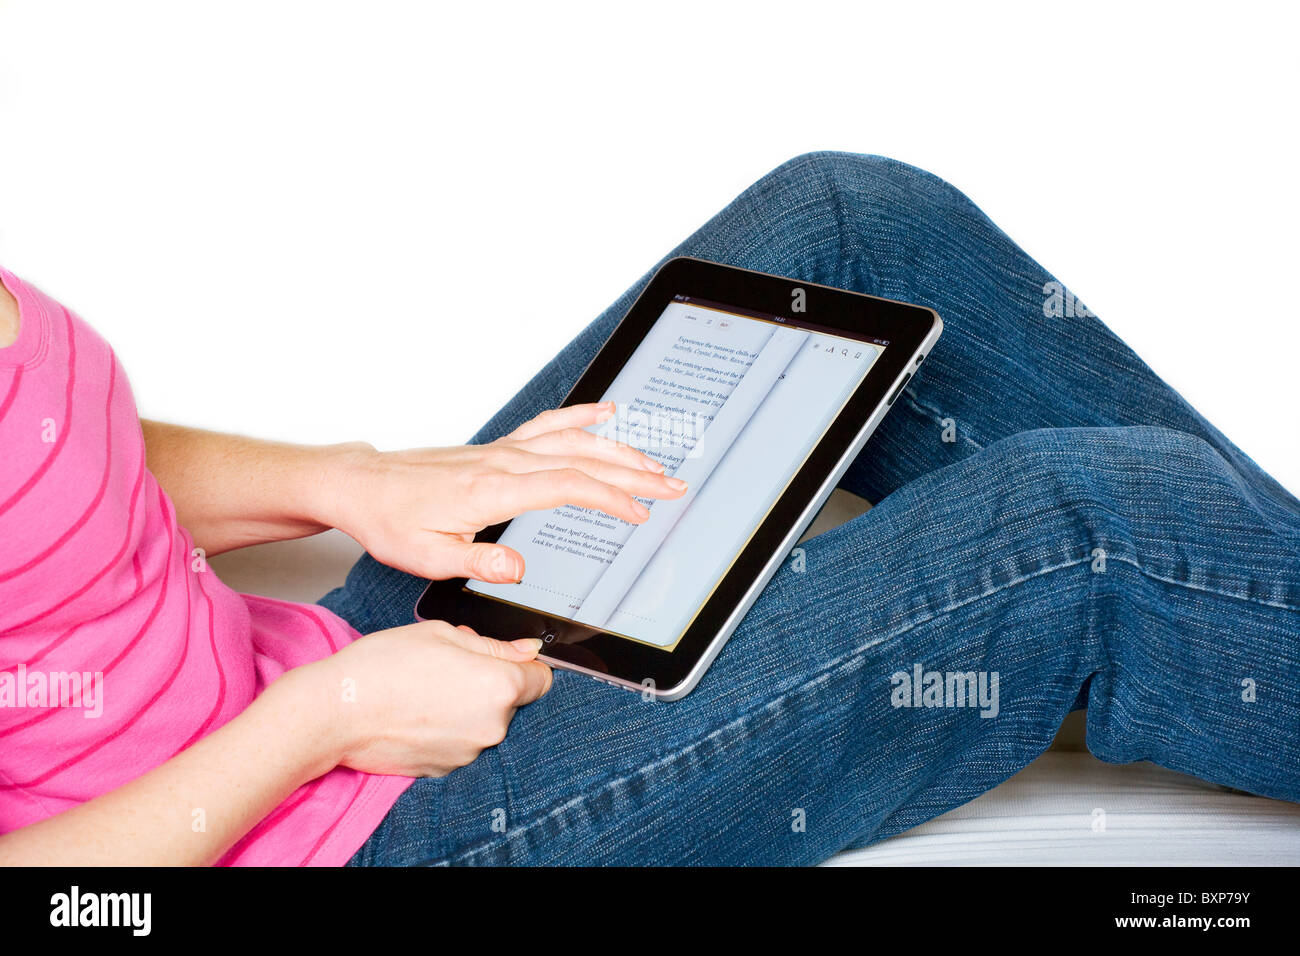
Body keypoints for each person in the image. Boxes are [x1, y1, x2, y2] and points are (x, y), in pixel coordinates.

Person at [1, 153, 1296, 866]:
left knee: (850, 226)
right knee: (1088, 527)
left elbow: (48, 446)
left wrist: (342, 480)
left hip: (338, 668)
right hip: (370, 830)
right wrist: (325, 720)